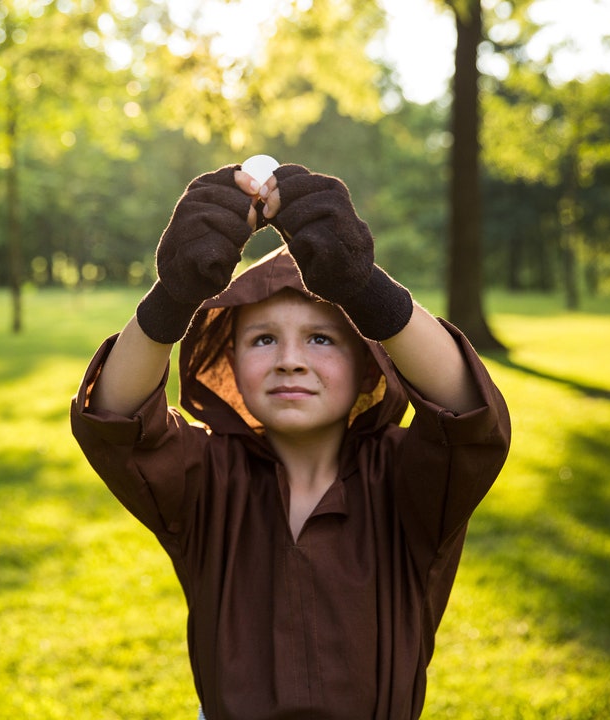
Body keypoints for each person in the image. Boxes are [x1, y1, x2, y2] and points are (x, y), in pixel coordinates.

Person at [70, 162, 512, 720]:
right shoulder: (206, 480)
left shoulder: (405, 480)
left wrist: (365, 287)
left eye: (321, 338)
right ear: (227, 362)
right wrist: (171, 299)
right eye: (262, 339)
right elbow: (116, 420)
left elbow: (468, 418)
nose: (290, 361)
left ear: (366, 363)